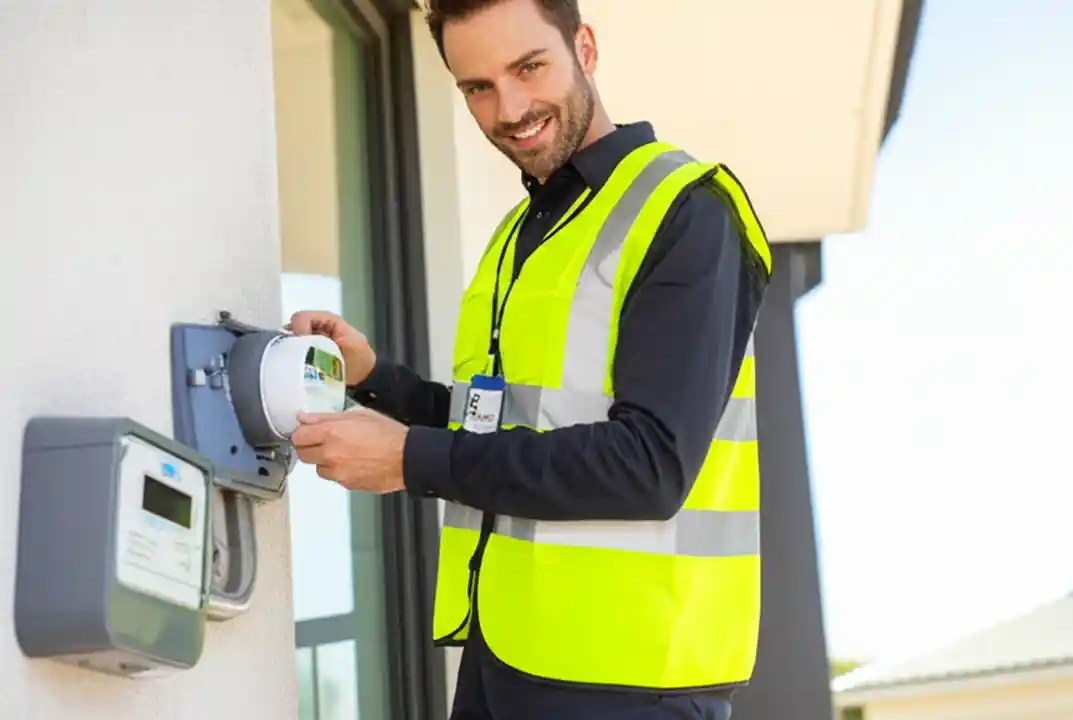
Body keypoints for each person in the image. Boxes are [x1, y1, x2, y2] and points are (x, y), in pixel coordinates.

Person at [287, 0, 772, 717]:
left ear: (585, 46)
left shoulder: (686, 210)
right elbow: (502, 422)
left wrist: (409, 459)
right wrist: (374, 380)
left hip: (633, 686)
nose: (508, 108)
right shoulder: (523, 230)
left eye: (528, 67)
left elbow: (650, 465)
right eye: (477, 87)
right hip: (503, 659)